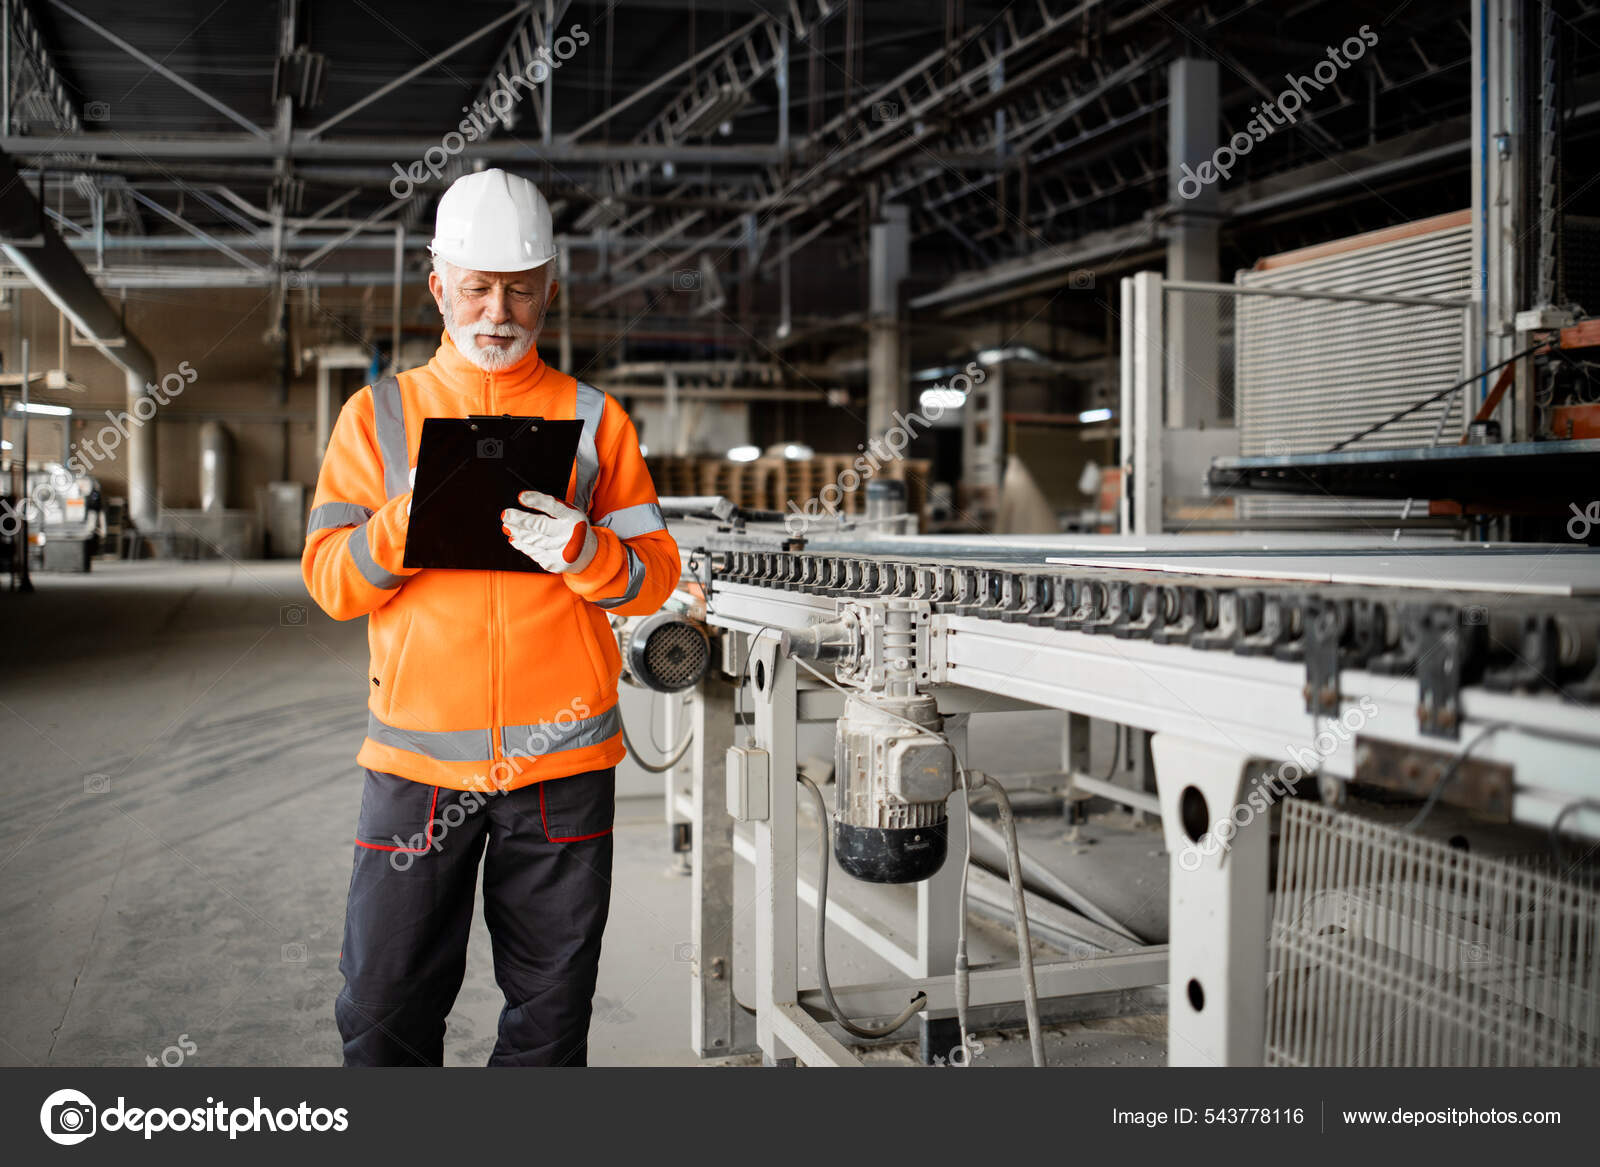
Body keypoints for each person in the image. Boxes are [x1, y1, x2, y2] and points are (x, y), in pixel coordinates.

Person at [302, 168, 679, 1066]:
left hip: (561, 767)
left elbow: (655, 582)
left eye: (519, 289)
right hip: (418, 769)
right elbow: (328, 579)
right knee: (385, 1013)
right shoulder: (378, 418)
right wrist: (409, 521)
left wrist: (588, 553)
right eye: (476, 288)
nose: (498, 311)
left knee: (550, 1024)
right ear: (439, 286)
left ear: (550, 286)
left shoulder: (595, 422)